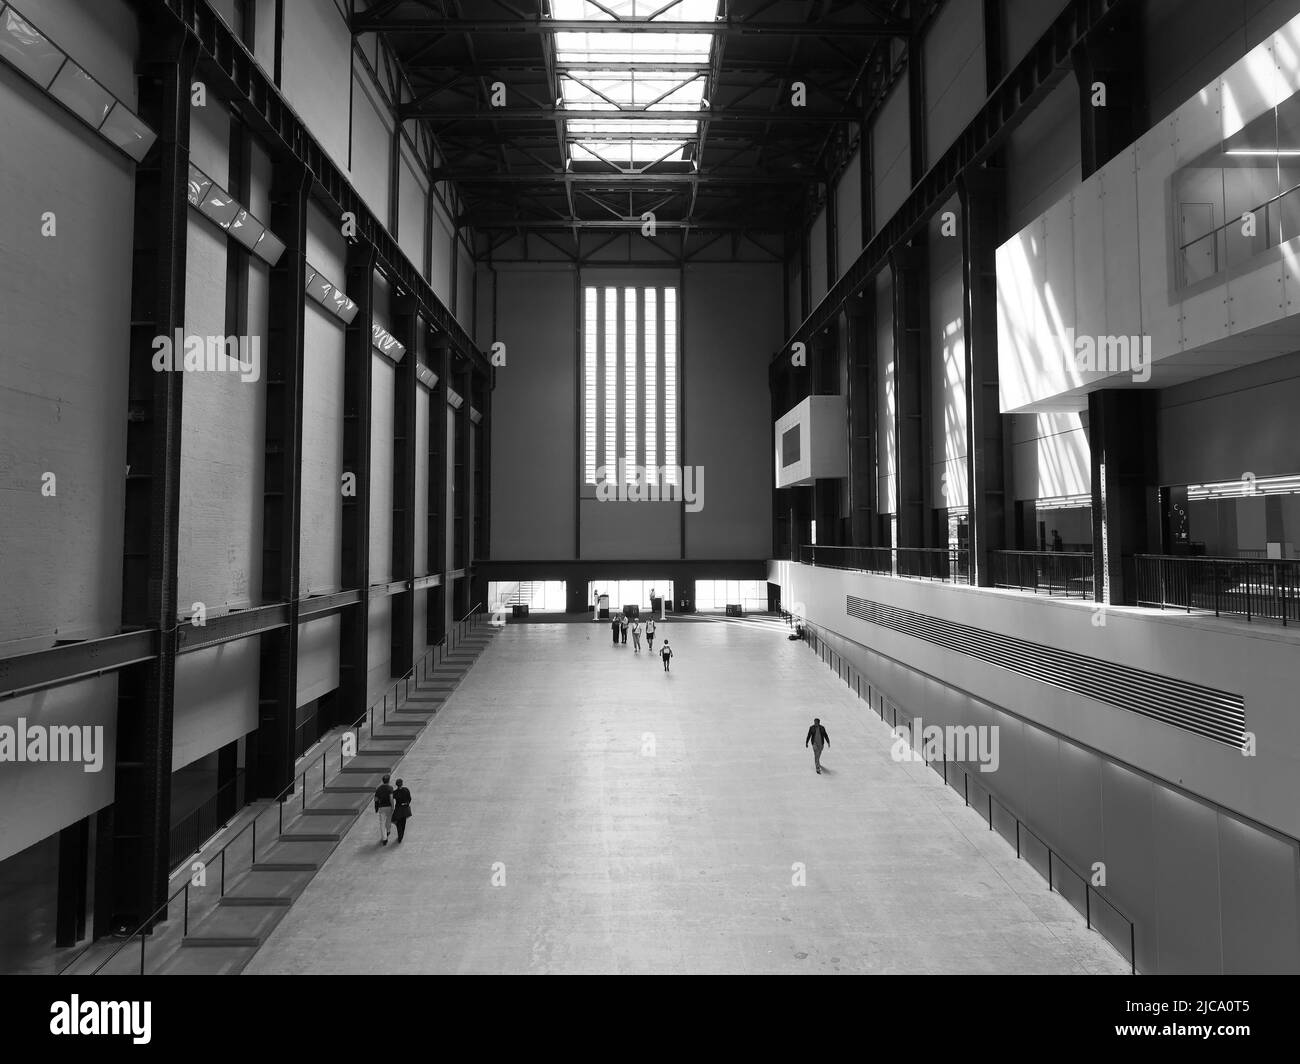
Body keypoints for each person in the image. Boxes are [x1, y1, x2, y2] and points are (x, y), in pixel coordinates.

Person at [374, 773, 394, 845]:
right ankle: (388, 831)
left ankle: (384, 839)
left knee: (382, 823)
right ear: (388, 781)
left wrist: (376, 807)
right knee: (388, 820)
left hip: (381, 807)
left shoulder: (379, 789)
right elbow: (391, 798)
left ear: (383, 781)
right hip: (388, 806)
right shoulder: (390, 788)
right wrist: (393, 806)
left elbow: (376, 799)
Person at [391, 778, 413, 842]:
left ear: (396, 785)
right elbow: (409, 798)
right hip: (405, 808)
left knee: (398, 822)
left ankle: (399, 835)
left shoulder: (395, 792)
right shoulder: (406, 790)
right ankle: (401, 835)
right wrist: (407, 803)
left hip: (398, 808)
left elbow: (392, 798)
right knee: (403, 822)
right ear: (402, 784)